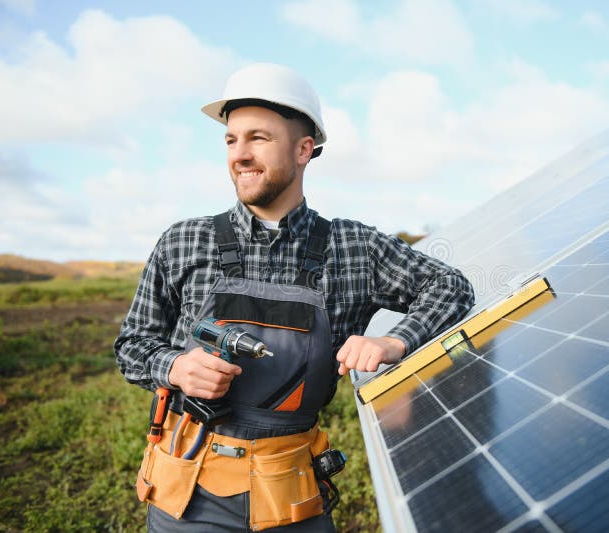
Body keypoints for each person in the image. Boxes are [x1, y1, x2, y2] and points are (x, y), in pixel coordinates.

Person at [114, 62, 474, 532]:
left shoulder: (353, 247)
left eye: (258, 138)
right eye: (230, 139)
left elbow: (451, 287)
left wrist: (393, 343)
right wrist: (176, 367)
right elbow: (132, 346)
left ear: (305, 149)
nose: (239, 153)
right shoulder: (184, 241)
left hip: (290, 497)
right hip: (186, 493)